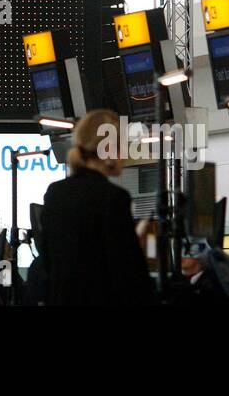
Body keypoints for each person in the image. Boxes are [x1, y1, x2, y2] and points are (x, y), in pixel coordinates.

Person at [42, 108, 154, 307]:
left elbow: (49, 262)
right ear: (110, 148)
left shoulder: (54, 193)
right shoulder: (113, 198)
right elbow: (126, 273)